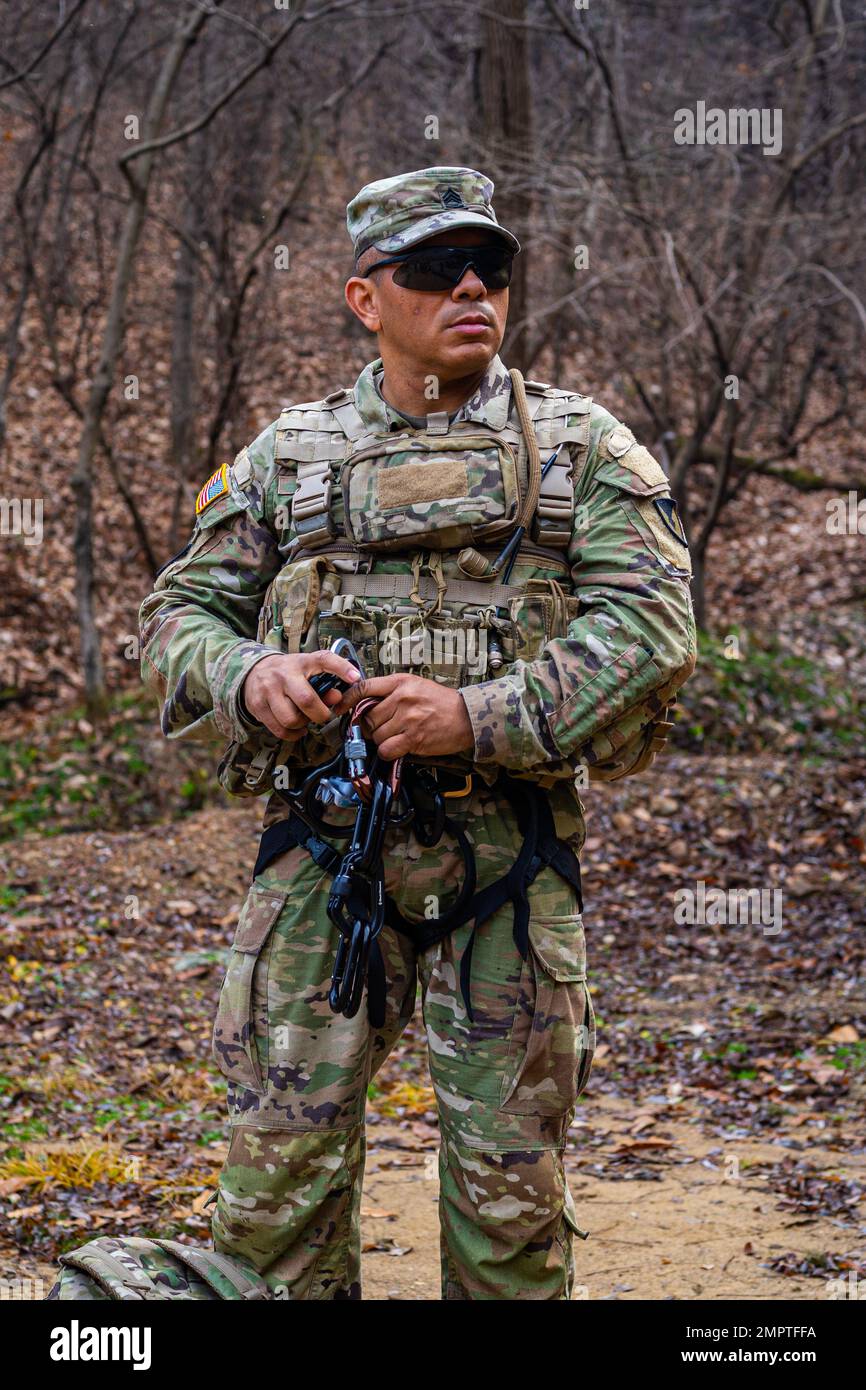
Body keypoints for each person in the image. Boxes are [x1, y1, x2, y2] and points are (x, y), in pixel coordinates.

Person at [138, 166, 697, 1300]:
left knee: (509, 1212)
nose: (471, 288)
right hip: (321, 859)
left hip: (509, 865)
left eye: (489, 266)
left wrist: (474, 717)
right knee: (274, 1201)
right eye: (435, 270)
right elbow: (175, 616)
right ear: (364, 298)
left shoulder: (579, 451)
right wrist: (252, 674)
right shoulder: (287, 460)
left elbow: (654, 629)